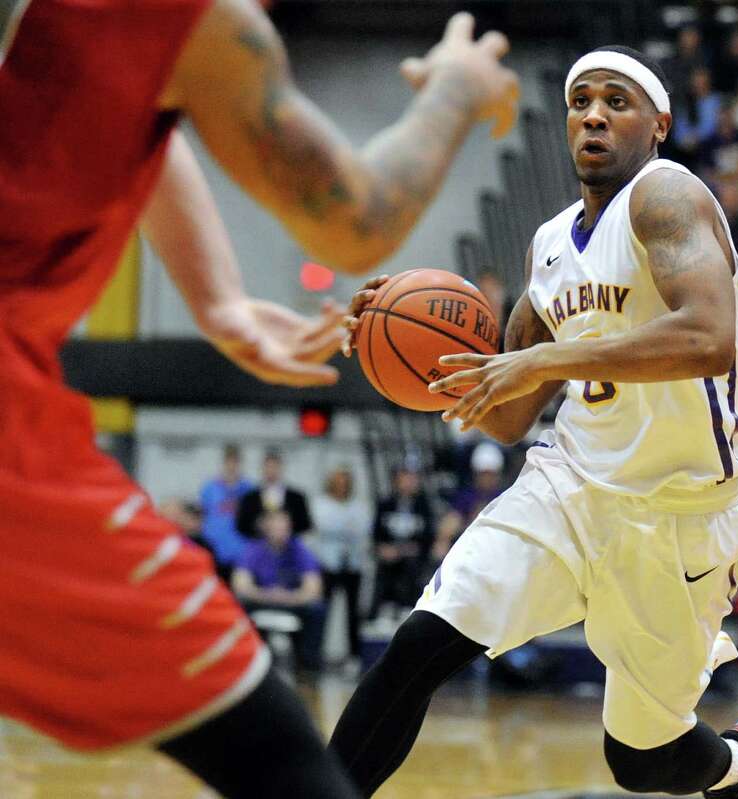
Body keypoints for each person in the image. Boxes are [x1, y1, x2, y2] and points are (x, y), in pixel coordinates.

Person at [0, 0, 518, 794]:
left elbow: (136, 112)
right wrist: (457, 88)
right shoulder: (194, 21)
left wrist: (220, 302)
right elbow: (357, 222)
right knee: (279, 760)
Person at [333, 45, 738, 799]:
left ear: (659, 122)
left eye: (616, 100)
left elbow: (707, 337)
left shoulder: (666, 197)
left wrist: (541, 362)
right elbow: (506, 417)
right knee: (419, 644)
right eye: (580, 101)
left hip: (683, 514)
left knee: (642, 763)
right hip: (567, 488)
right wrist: (400, 350)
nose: (593, 114)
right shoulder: (547, 245)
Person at [233, 510, 326, 675]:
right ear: (265, 529)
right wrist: (268, 595)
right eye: (276, 528)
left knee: (317, 609)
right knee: (238, 606)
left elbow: (314, 589)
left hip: (292, 602)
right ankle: (246, 661)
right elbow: (240, 585)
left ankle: (308, 663)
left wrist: (288, 597)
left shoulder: (300, 550)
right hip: (261, 600)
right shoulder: (253, 549)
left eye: (284, 528)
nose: (280, 533)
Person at [312, 466, 372, 670]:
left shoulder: (358, 505)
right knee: (323, 610)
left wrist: (342, 527)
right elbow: (324, 525)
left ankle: (354, 656)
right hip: (328, 564)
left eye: (344, 481)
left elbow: (362, 528)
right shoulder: (322, 503)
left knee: (353, 612)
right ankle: (316, 652)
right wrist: (346, 526)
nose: (341, 486)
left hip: (353, 564)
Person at [371, 459, 438, 617]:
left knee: (411, 568)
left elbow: (428, 538)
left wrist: (404, 550)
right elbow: (376, 534)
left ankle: (410, 606)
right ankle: (382, 610)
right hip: (389, 560)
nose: (408, 482)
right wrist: (383, 548)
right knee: (386, 567)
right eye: (404, 477)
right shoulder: (385, 504)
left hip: (414, 560)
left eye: (412, 478)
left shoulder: (424, 506)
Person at [199, 444, 255, 580]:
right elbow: (202, 516)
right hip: (214, 551)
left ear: (240, 463)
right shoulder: (209, 488)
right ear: (224, 463)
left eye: (235, 462)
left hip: (241, 553)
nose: (232, 466)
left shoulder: (249, 489)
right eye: (229, 462)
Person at [236, 449, 313, 540]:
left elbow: (306, 524)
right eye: (268, 467)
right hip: (259, 548)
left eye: (274, 467)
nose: (271, 471)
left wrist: (284, 527)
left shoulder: (296, 497)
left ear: (281, 468)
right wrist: (259, 525)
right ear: (262, 469)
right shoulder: (250, 498)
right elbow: (241, 525)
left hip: (289, 549)